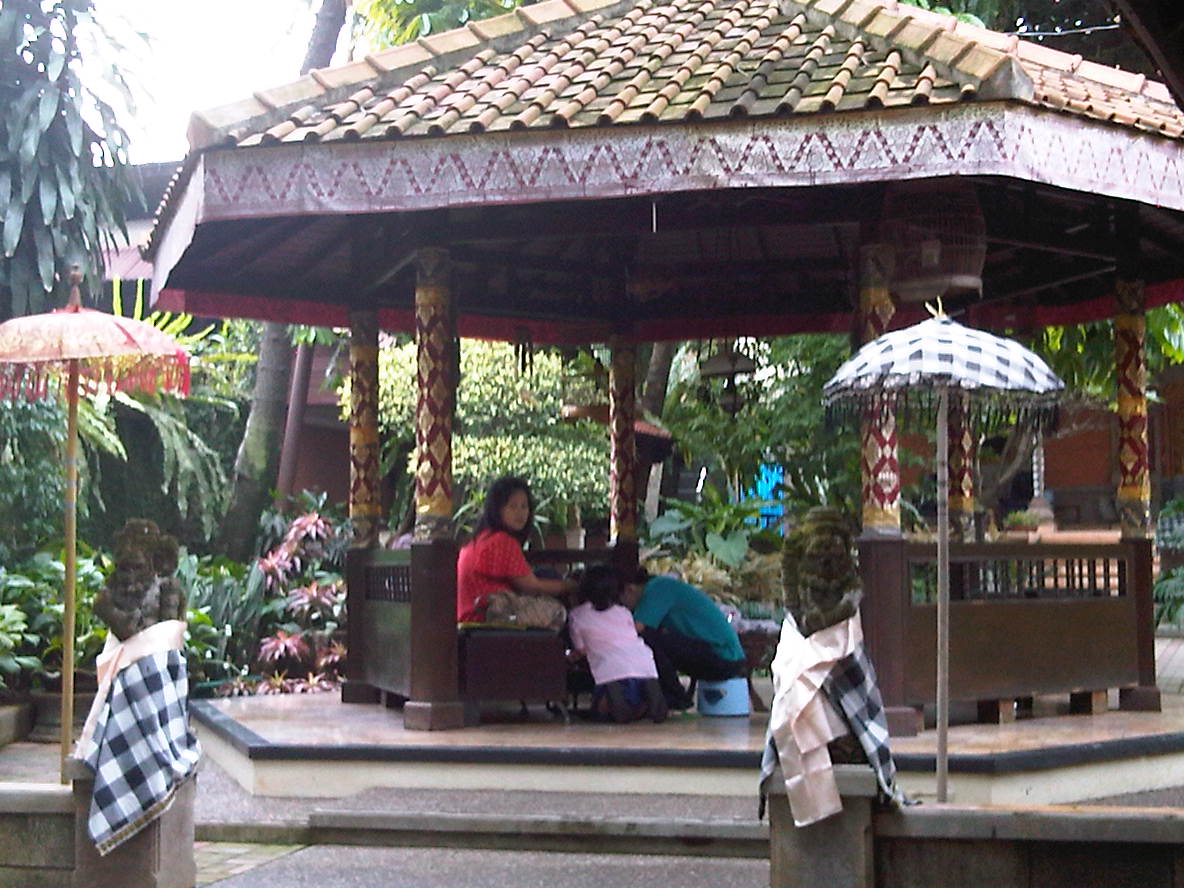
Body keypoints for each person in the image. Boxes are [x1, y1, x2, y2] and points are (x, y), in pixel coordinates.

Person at [456, 476, 576, 624]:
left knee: (545, 574)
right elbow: (532, 587)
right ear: (497, 510)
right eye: (512, 506)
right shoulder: (501, 541)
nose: (520, 513)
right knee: (558, 611)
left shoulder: (478, 539)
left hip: (471, 616)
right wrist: (570, 586)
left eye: (524, 506)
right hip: (486, 617)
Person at [623, 568, 747, 710]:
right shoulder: (662, 586)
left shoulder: (658, 588)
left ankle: (675, 697)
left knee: (648, 639)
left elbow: (635, 630)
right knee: (654, 637)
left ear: (629, 590)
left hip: (723, 657)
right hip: (725, 657)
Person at [568, 565, 667, 723]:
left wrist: (571, 657)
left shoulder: (577, 616)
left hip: (610, 671)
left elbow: (581, 650)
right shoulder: (624, 612)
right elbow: (631, 635)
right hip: (645, 664)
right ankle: (649, 706)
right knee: (639, 680)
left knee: (603, 709)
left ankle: (615, 707)